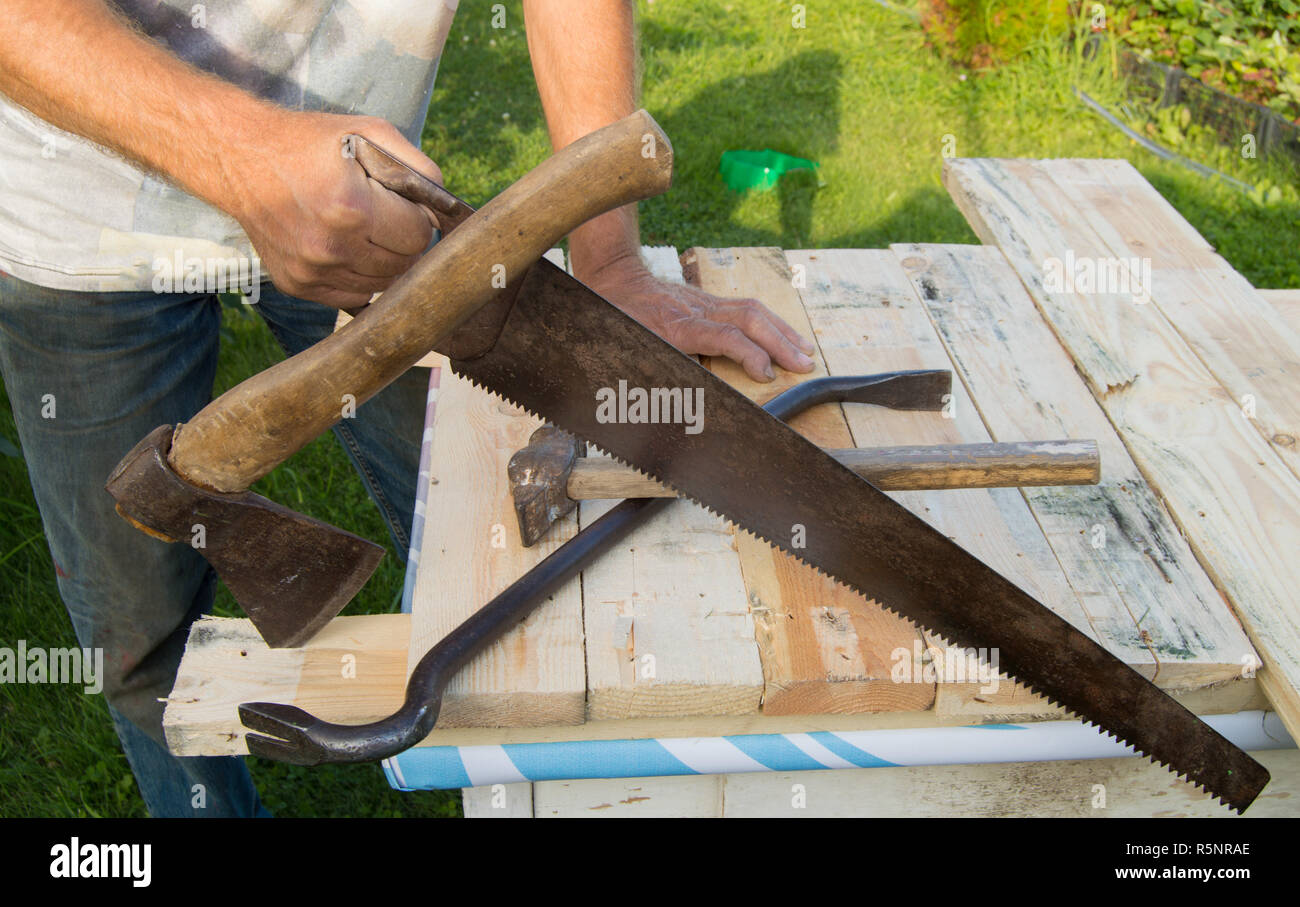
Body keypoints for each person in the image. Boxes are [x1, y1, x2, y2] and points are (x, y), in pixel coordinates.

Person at [0, 0, 815, 817]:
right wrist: (238, 152)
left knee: (495, 541)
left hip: (365, 209)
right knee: (141, 637)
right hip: (83, 213)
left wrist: (612, 265)